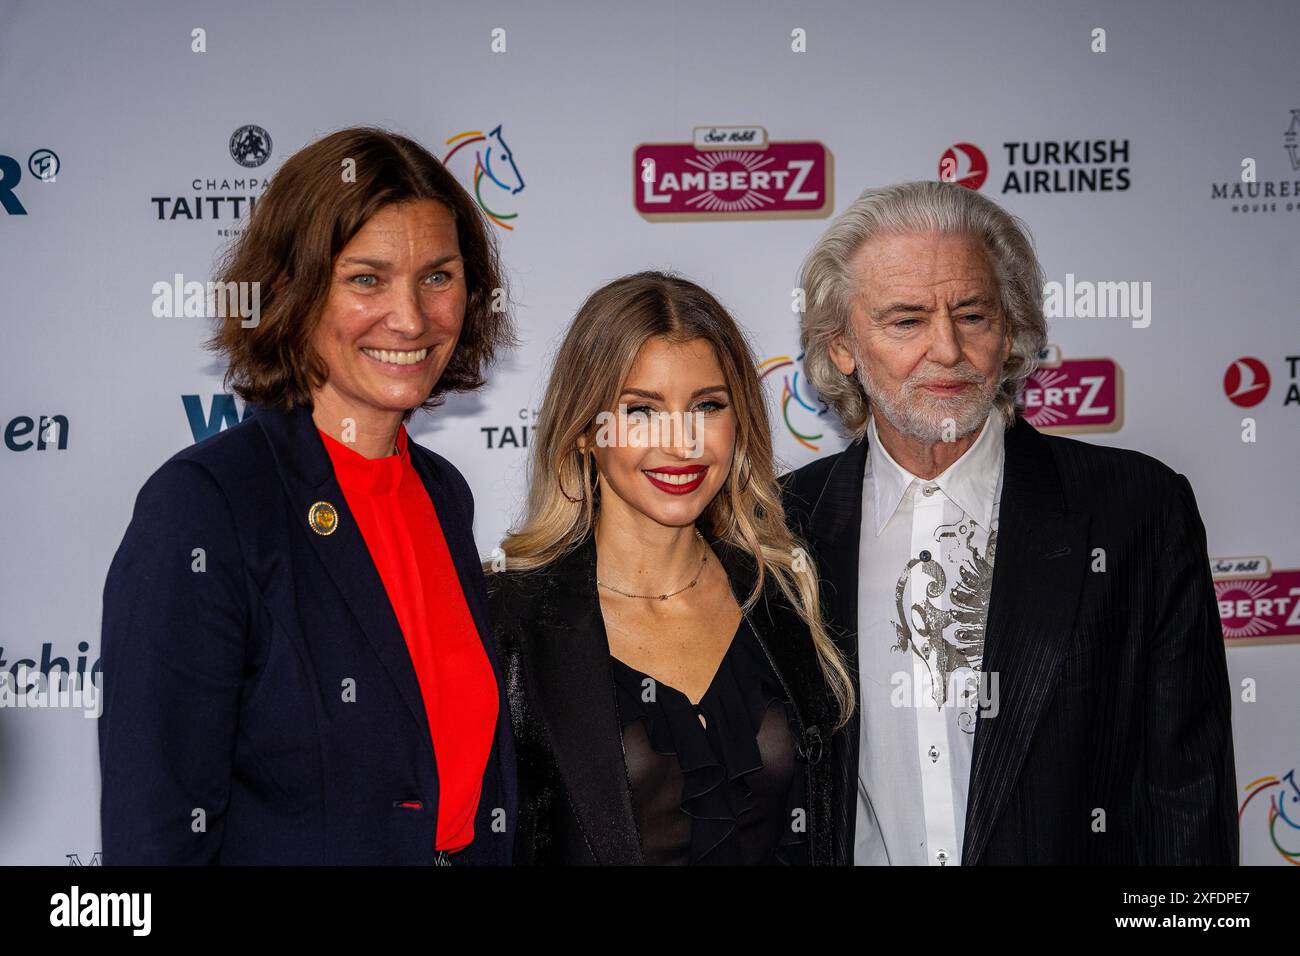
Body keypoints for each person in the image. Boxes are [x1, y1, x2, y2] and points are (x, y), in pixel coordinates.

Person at [783, 180, 1237, 865]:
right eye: (906, 320)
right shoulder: (780, 529)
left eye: (972, 315)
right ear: (841, 346)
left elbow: (1187, 801)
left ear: (1011, 328)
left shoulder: (1135, 510)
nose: (947, 349)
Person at [99, 127, 517, 864]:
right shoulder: (206, 507)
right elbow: (154, 836)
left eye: (438, 276)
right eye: (367, 279)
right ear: (290, 289)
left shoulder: (443, 495)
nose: (412, 318)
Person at [487, 271, 854, 864]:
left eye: (707, 406)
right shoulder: (511, 623)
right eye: (641, 410)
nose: (682, 443)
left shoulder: (786, 595)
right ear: (585, 431)